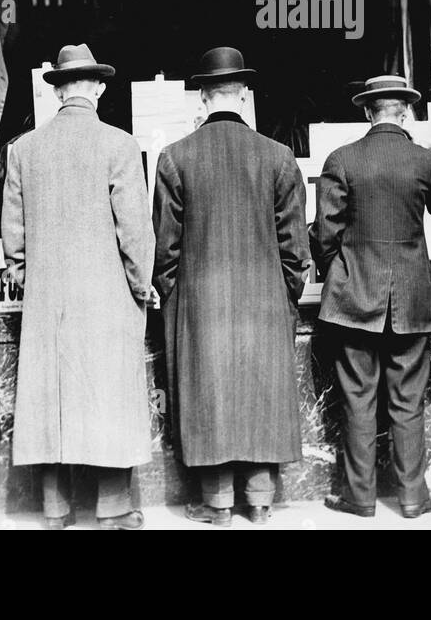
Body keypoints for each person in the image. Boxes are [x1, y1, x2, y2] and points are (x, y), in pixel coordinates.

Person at [152, 46, 311, 527]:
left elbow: (165, 250)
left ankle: (217, 502)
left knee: (209, 396)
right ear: (244, 95)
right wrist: (284, 292)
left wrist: (176, 299)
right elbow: (295, 249)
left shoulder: (174, 157)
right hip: (263, 301)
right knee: (260, 393)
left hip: (200, 305)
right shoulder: (279, 158)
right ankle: (260, 500)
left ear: (202, 97)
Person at [2, 44, 154, 531]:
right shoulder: (120, 145)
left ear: (58, 91)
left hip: (48, 299)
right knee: (109, 396)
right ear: (99, 88)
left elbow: (14, 233)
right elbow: (135, 232)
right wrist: (141, 286)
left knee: (50, 399)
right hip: (107, 297)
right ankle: (111, 509)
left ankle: (54, 510)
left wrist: (28, 276)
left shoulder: (23, 149)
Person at [313, 75, 431, 520]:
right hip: (413, 302)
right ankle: (413, 497)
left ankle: (360, 498)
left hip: (353, 300)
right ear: (406, 112)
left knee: (357, 400)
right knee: (408, 402)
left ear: (367, 111)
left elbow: (324, 235)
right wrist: (426, 165)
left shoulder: (342, 159)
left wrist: (335, 267)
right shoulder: (423, 160)